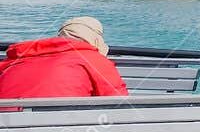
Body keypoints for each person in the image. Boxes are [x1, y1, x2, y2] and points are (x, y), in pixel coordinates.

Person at [0, 17, 129, 99]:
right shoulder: (94, 60)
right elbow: (118, 101)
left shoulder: (13, 61)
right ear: (96, 41)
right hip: (62, 131)